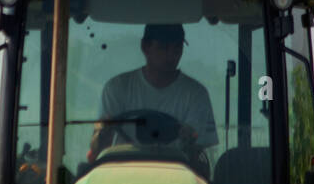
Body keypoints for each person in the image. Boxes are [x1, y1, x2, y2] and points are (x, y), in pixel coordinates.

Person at [87, 23, 218, 164]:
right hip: (123, 174)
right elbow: (98, 153)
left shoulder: (196, 95)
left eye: (177, 48)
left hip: (176, 177)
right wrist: (103, 133)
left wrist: (189, 141)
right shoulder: (117, 88)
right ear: (145, 47)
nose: (171, 56)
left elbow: (201, 160)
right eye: (163, 48)